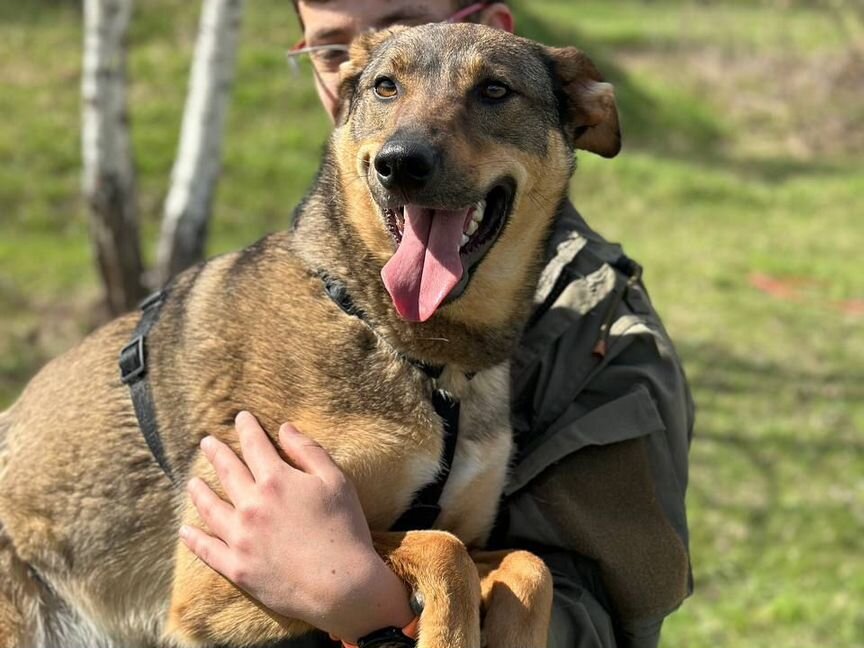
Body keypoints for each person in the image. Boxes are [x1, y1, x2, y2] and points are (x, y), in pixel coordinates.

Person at [178, 2, 695, 647]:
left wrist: (372, 603)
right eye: (382, 81)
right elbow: (198, 608)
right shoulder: (281, 317)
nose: (408, 143)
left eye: (490, 91)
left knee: (520, 576)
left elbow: (609, 618)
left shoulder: (599, 325)